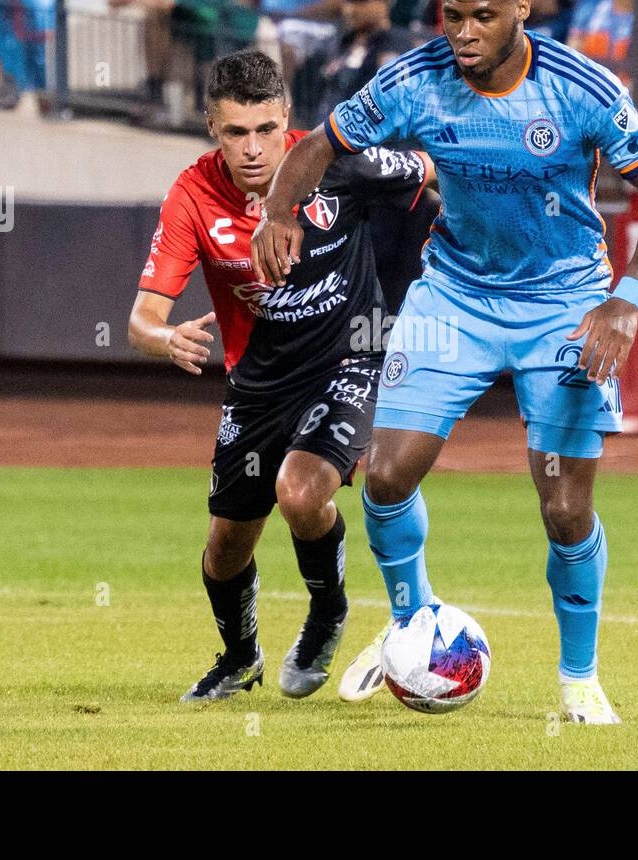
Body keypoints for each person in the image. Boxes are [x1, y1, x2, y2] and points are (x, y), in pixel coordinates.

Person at [252, 0, 638, 723]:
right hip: (454, 296)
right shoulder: (413, 81)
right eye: (452, 16)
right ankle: (412, 624)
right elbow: (319, 144)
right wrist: (280, 211)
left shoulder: (581, 87)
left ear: (522, 10)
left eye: (483, 17)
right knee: (385, 477)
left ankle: (580, 678)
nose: (463, 32)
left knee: (563, 508)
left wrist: (624, 303)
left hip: (564, 303)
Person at [127, 51, 435, 703]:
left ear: (287, 120)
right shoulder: (191, 196)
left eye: (266, 130)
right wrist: (166, 336)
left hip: (349, 358)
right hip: (260, 383)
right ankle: (240, 658)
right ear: (212, 125)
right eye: (236, 132)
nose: (254, 149)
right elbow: (141, 320)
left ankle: (327, 616)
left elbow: (430, 167)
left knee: (300, 492)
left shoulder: (336, 162)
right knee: (226, 545)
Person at [108, 0, 258, 126]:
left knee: (155, 17)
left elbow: (165, 2)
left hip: (228, 38)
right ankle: (154, 90)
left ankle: (157, 93)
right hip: (195, 46)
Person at [316, 0, 417, 122]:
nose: (349, 8)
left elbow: (391, 100)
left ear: (384, 0)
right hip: (329, 133)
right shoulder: (341, 42)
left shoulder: (395, 42)